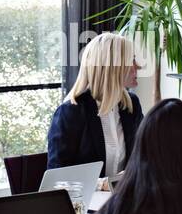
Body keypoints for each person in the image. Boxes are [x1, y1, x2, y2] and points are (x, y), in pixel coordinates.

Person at [48, 32, 142, 179]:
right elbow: (58, 177)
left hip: (124, 199)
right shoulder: (71, 112)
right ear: (112, 67)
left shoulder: (131, 105)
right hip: (87, 201)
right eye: (132, 60)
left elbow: (142, 158)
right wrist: (102, 184)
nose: (139, 66)